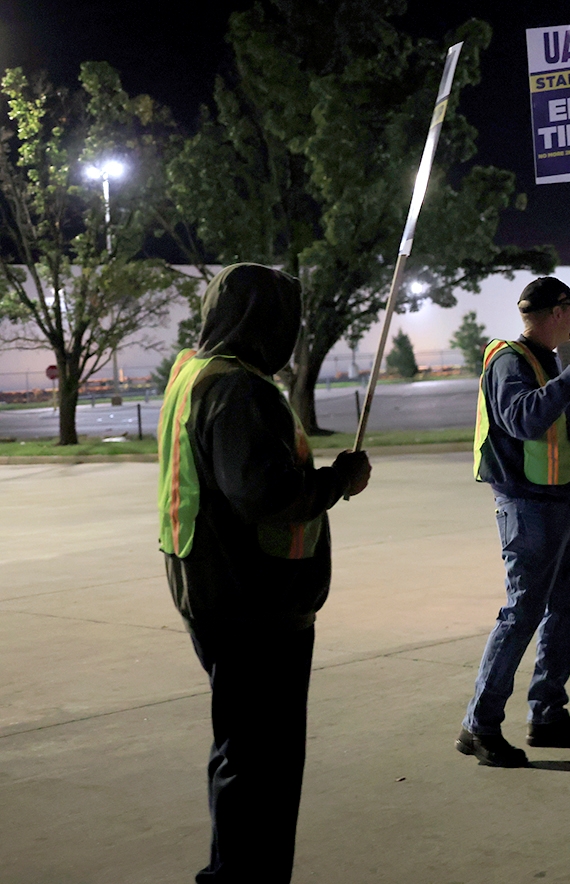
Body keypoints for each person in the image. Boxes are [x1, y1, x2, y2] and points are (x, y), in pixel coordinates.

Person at [157, 263, 371, 883]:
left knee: (242, 751)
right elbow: (264, 492)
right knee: (264, 764)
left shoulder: (194, 372)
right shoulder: (239, 391)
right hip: (253, 604)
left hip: (211, 589)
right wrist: (339, 481)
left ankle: (232, 871)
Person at [456, 275, 570, 767]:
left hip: (561, 500)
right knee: (522, 613)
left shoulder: (545, 358)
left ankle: (546, 714)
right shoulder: (508, 361)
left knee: (565, 610)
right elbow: (523, 418)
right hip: (527, 507)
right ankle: (479, 725)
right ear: (555, 312)